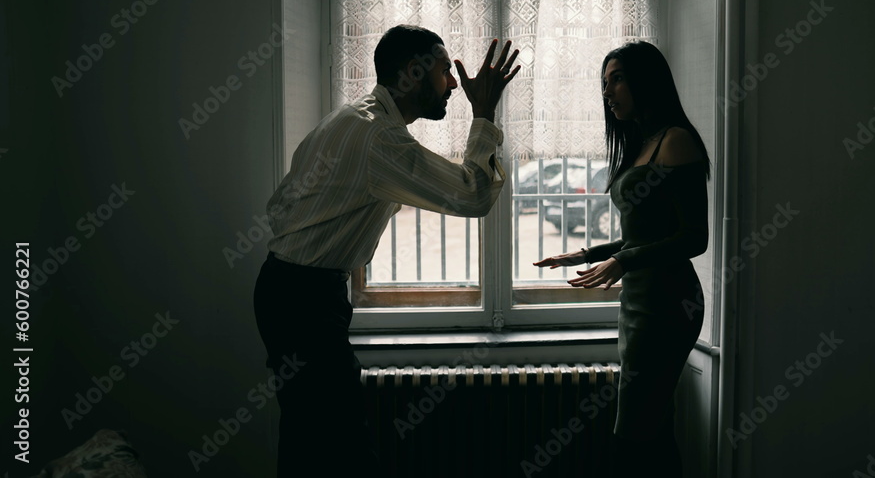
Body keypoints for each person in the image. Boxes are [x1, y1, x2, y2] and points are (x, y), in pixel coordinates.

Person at [253, 25, 520, 476]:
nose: (454, 82)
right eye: (442, 69)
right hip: (305, 303)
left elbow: (278, 208)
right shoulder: (380, 138)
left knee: (309, 441)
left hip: (290, 292)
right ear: (411, 73)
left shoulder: (349, 119)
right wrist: (485, 112)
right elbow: (472, 195)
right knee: (343, 448)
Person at [534, 40, 710, 477]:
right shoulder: (642, 143)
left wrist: (624, 262)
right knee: (652, 426)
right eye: (604, 82)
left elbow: (694, 237)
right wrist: (588, 253)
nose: (607, 92)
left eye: (617, 80)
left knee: (633, 432)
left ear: (645, 82)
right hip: (638, 302)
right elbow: (643, 234)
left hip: (670, 303)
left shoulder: (676, 141)